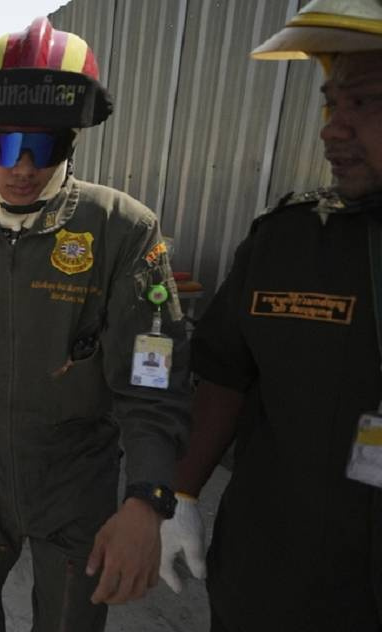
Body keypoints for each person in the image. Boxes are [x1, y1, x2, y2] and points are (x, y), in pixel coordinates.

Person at [0, 18, 191, 631]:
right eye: (3, 146)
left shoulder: (124, 231)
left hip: (75, 484)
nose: (24, 167)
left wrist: (149, 497)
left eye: (46, 145)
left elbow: (153, 382)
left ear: (72, 143)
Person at [161, 2, 382, 630]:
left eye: (365, 103)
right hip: (275, 575)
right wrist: (181, 492)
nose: (332, 131)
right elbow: (225, 373)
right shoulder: (290, 239)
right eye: (331, 104)